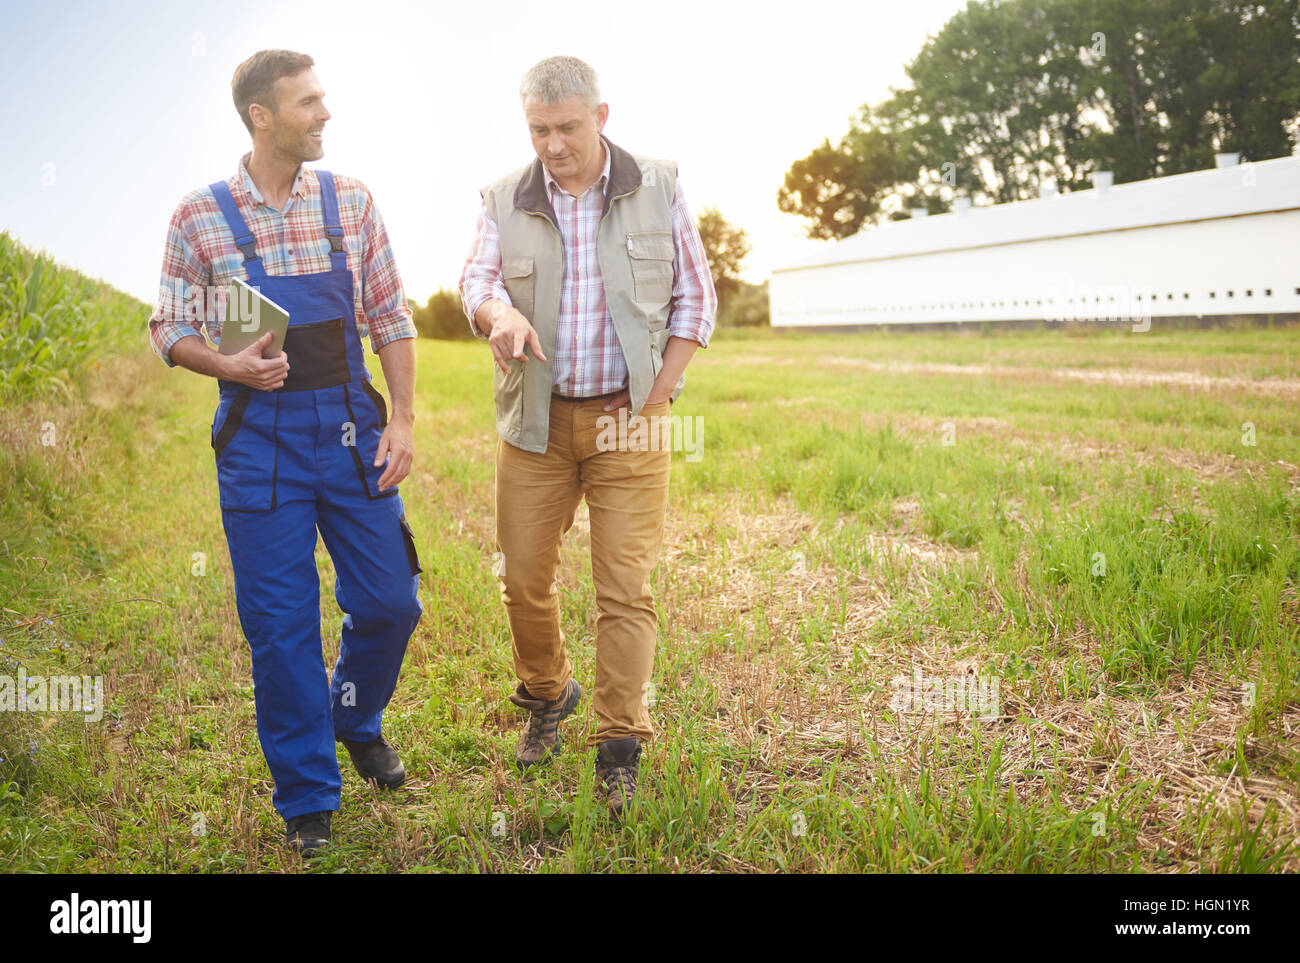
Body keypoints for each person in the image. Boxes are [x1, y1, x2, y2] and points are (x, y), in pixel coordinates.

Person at [147, 49, 422, 856]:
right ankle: (308, 797)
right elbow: (168, 326)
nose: (325, 112)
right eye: (308, 102)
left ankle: (355, 716)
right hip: (258, 442)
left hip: (349, 430)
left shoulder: (351, 203)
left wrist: (400, 420)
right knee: (282, 625)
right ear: (261, 116)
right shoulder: (200, 218)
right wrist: (225, 363)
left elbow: (390, 319)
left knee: (390, 601)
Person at [459, 55, 716, 818]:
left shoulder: (659, 185)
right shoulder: (504, 199)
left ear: (601, 117)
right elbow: (477, 280)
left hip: (627, 418)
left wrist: (661, 391)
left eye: (567, 127)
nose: (553, 144)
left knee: (624, 587)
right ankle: (548, 691)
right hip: (536, 421)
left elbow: (695, 299)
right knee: (522, 577)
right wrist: (497, 314)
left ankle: (619, 742)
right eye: (539, 129)